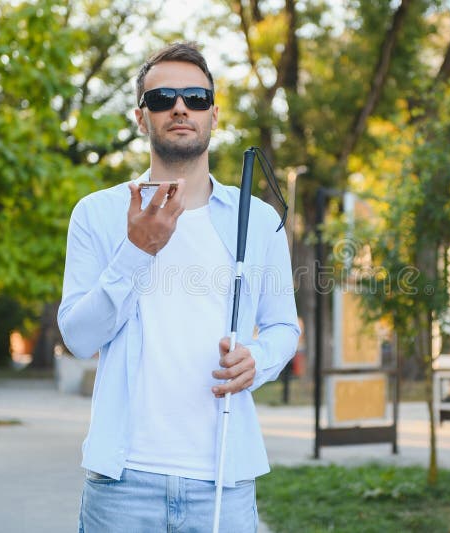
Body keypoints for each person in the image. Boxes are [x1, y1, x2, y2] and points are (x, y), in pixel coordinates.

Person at [58, 42, 299, 532]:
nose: (180, 107)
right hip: (123, 483)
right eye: (163, 97)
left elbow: (282, 326)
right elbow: (78, 338)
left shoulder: (257, 221)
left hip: (223, 483)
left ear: (214, 113)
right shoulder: (97, 215)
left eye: (195, 96)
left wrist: (259, 360)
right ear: (142, 117)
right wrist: (137, 250)